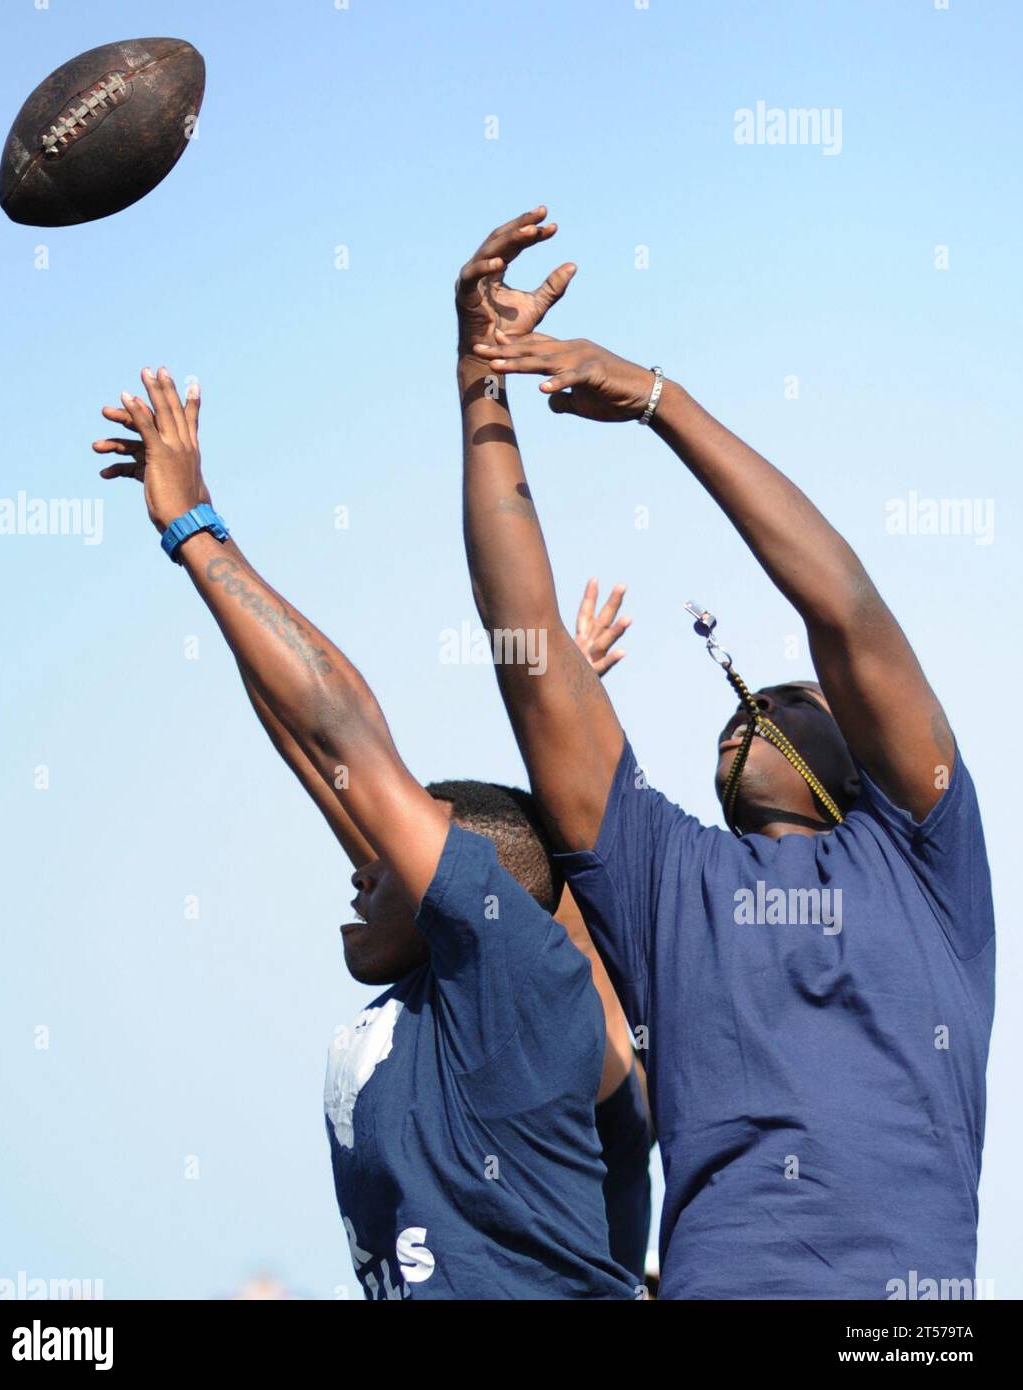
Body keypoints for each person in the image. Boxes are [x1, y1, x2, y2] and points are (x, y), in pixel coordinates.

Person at [455, 206, 995, 1299]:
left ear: (858, 767)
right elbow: (525, 641)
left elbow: (839, 606)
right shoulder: (666, 878)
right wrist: (481, 378)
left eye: (797, 700)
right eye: (752, 707)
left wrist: (660, 400)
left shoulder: (928, 864)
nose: (759, 708)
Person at [91, 366, 640, 1300]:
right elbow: (315, 739)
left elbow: (343, 728)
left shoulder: (526, 994)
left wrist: (197, 531)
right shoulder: (453, 969)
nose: (354, 873)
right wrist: (202, 561)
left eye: (381, 866)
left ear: (463, 898)